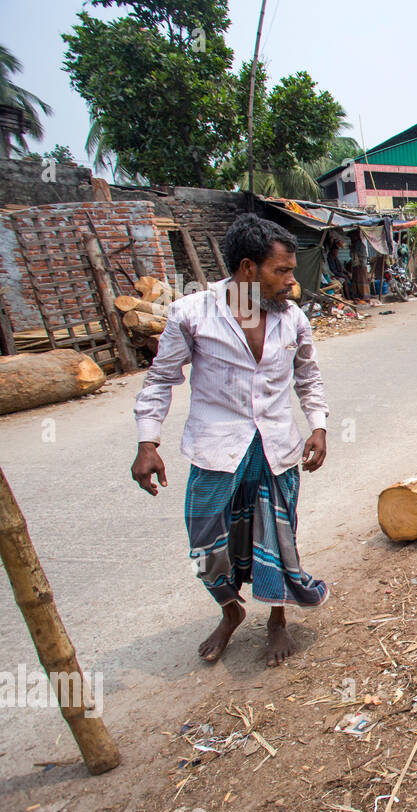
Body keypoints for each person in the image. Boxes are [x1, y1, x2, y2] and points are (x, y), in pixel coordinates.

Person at [131, 213, 330, 666]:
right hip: (217, 450)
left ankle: (277, 617)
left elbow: (308, 377)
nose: (290, 281)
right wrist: (148, 442)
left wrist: (317, 424)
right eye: (280, 271)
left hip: (276, 447)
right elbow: (162, 378)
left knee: (278, 536)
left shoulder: (293, 319)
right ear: (247, 269)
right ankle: (230, 609)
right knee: (205, 543)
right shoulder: (193, 315)